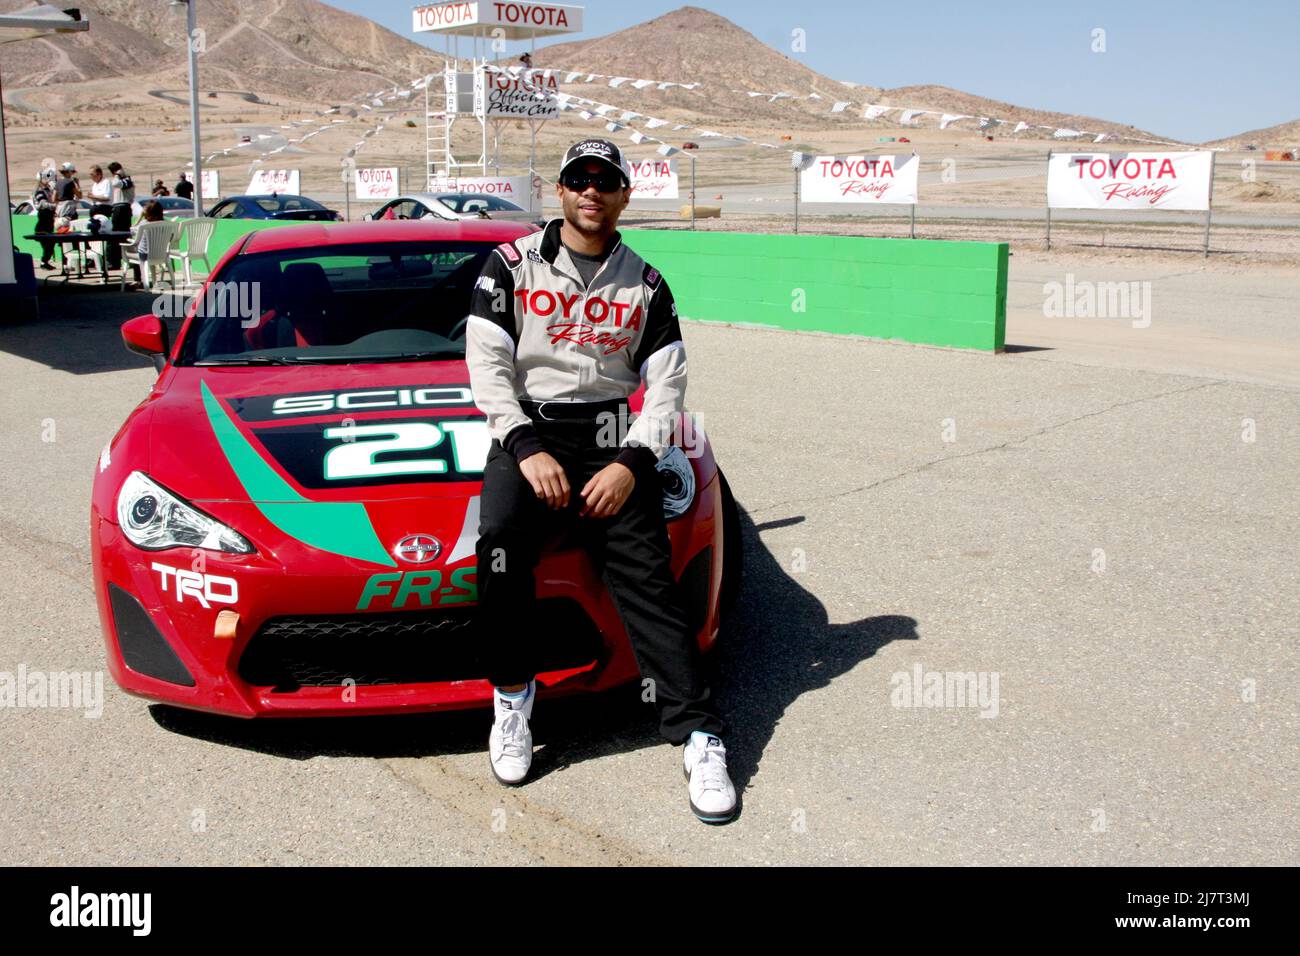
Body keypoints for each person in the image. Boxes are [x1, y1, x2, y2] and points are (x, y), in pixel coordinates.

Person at [465, 138, 737, 824]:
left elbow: (668, 386)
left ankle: (698, 735)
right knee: (497, 543)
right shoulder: (509, 266)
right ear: (560, 192)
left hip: (613, 436)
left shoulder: (646, 283)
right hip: (529, 431)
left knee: (648, 578)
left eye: (605, 180)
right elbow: (488, 368)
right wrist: (525, 446)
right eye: (578, 179)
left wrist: (630, 465)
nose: (592, 190)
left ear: (622, 195)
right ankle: (513, 698)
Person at [32, 171, 58, 270]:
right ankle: (44, 262)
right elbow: (43, 204)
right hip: (42, 225)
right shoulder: (39, 191)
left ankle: (44, 262)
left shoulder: (49, 190)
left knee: (50, 245)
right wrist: (54, 206)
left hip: (49, 223)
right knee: (48, 244)